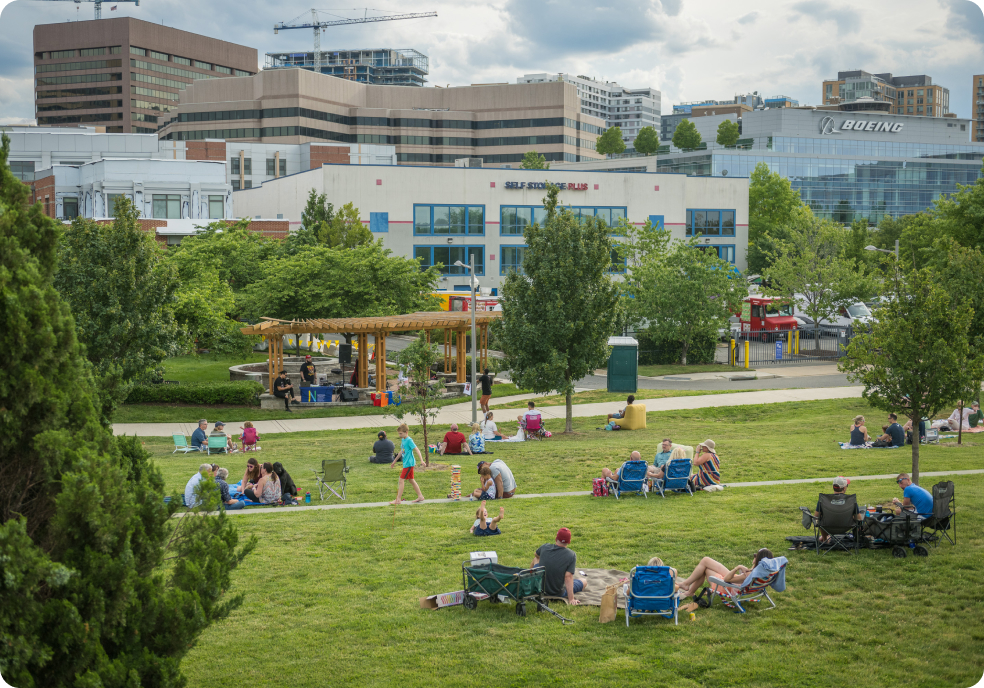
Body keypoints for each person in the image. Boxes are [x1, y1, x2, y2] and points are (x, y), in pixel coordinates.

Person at [678, 548, 774, 597]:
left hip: (727, 586)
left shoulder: (749, 575)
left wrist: (738, 567)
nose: (754, 557)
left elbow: (727, 579)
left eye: (755, 556)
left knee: (705, 566)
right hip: (736, 583)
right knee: (706, 561)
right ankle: (689, 589)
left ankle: (688, 588)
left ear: (758, 559)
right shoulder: (765, 571)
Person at [532, 528, 582, 604]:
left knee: (536, 559)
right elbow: (568, 577)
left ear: (556, 538)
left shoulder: (545, 547)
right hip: (556, 593)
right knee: (584, 582)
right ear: (569, 542)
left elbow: (536, 555)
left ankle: (530, 579)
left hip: (538, 589)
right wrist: (571, 599)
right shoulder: (571, 555)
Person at [813, 476, 862, 543]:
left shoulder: (824, 500)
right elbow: (859, 519)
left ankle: (825, 539)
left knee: (820, 518)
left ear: (833, 487)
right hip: (846, 527)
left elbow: (816, 516)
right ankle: (856, 541)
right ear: (844, 488)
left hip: (827, 527)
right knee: (857, 519)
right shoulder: (851, 500)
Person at [390, 423, 425, 505]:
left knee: (401, 480)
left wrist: (422, 460)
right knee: (411, 480)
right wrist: (394, 461)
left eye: (401, 433)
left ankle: (398, 500)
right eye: (399, 433)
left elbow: (417, 449)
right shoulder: (403, 440)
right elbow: (401, 451)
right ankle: (420, 496)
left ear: (406, 432)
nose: (399, 435)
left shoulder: (409, 440)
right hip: (406, 464)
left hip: (409, 464)